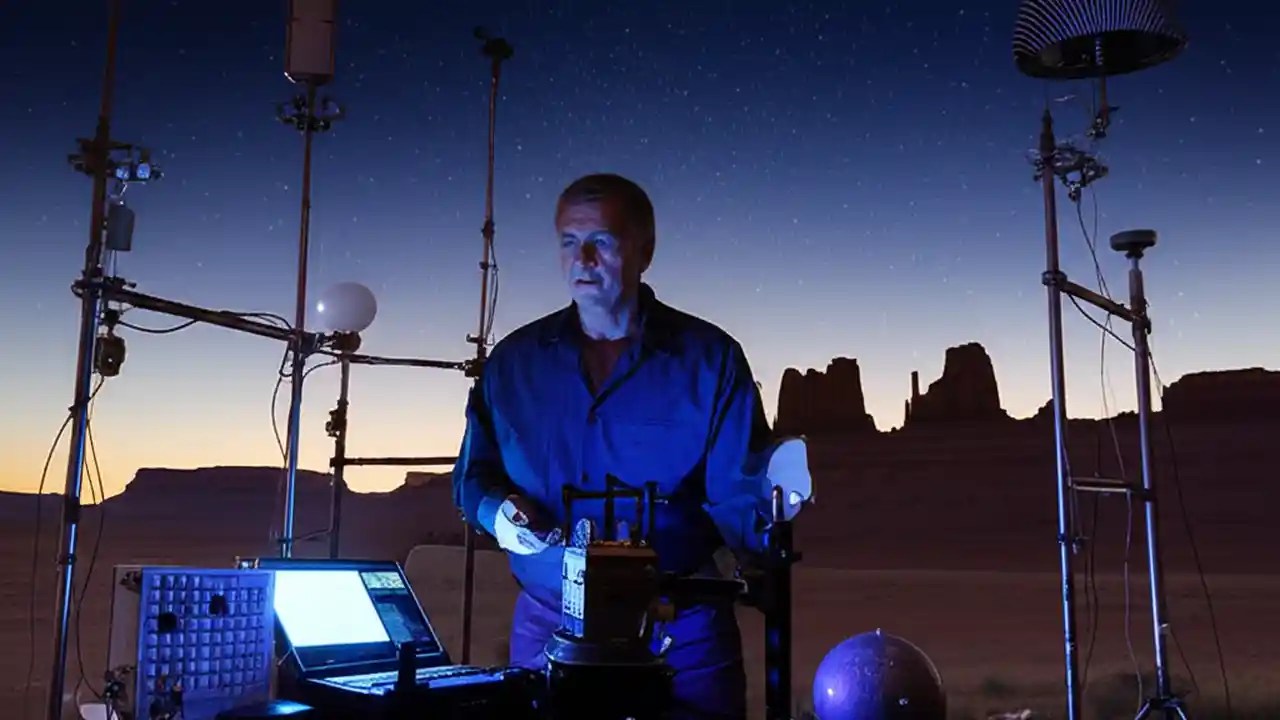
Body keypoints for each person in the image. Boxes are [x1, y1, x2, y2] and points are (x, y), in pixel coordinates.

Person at [452, 172, 774, 719]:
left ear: (644, 249)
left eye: (602, 240)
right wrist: (497, 514)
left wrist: (763, 552)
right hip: (547, 625)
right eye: (569, 242)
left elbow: (741, 496)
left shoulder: (711, 361)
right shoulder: (512, 364)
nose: (584, 259)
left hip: (681, 633)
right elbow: (472, 477)